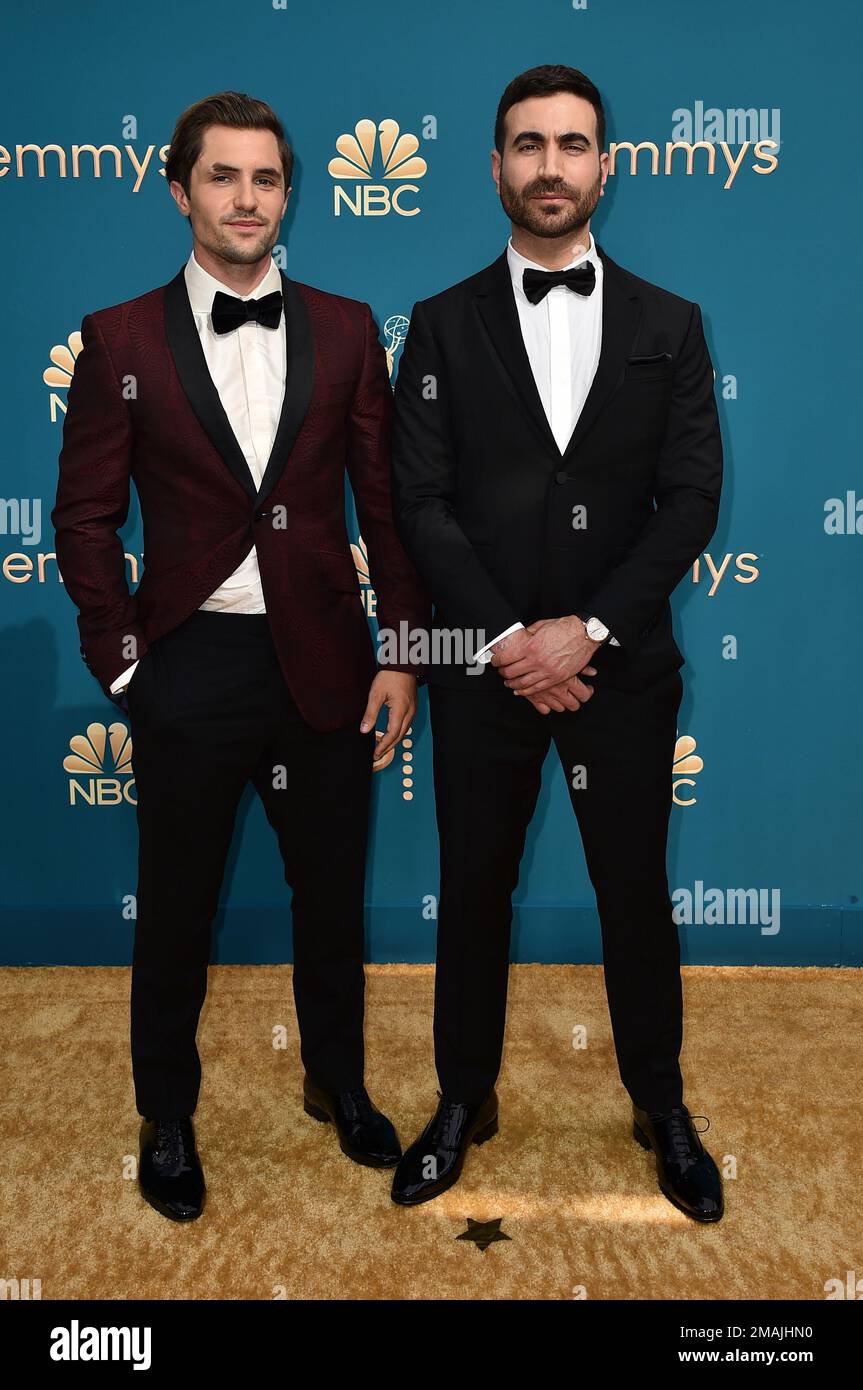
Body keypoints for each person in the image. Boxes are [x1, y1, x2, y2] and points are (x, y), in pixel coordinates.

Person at [52, 90, 428, 1222]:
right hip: (186, 666)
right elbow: (82, 519)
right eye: (223, 176)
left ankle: (337, 1083)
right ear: (180, 190)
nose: (247, 197)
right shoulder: (118, 338)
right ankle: (165, 1113)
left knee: (330, 900)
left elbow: (389, 508)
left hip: (322, 658)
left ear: (288, 193)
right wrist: (124, 664)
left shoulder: (350, 327)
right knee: (172, 906)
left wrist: (401, 650)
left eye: (266, 178)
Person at [390, 64, 724, 1221]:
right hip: (482, 678)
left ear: (604, 166)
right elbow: (418, 503)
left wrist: (581, 633)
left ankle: (658, 1104)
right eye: (525, 145)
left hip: (620, 673)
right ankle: (459, 1102)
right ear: (493, 168)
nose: (547, 166)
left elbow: (689, 502)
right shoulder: (436, 324)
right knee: (469, 889)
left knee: (635, 892)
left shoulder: (669, 325)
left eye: (570, 145)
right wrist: (503, 642)